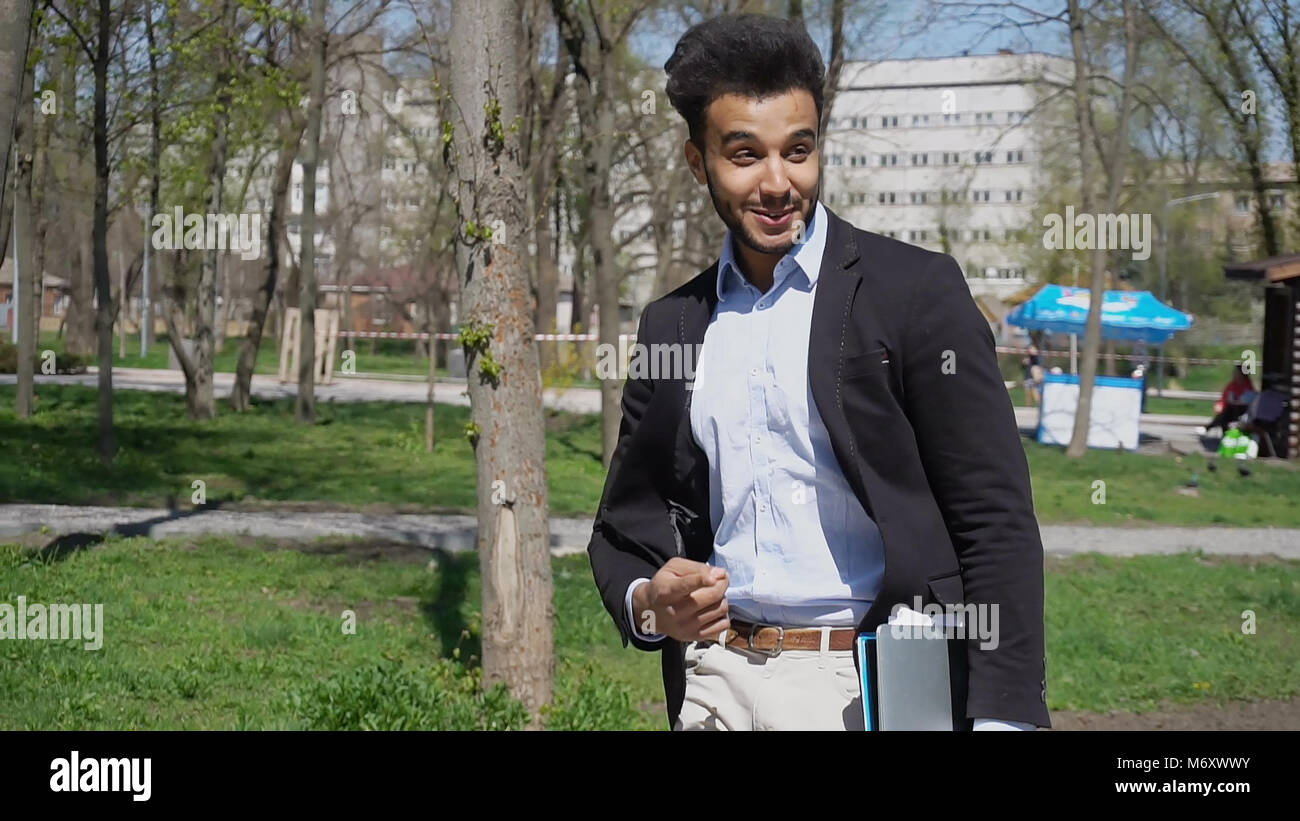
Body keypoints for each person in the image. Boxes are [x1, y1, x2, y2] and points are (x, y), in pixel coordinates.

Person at [587, 13, 1048, 732]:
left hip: (871, 689)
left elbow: (995, 521)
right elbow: (626, 524)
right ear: (696, 161)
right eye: (744, 154)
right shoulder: (672, 325)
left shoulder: (917, 293)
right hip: (715, 685)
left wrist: (1004, 717)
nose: (778, 182)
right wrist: (653, 601)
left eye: (797, 150)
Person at [1197, 365, 1255, 436]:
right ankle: (1215, 430)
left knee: (1227, 413)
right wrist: (1220, 405)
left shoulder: (1248, 386)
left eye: (1236, 372)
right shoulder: (1231, 385)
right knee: (1226, 413)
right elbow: (1224, 398)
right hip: (1230, 411)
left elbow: (1248, 401)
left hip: (1243, 411)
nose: (1234, 374)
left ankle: (1208, 428)